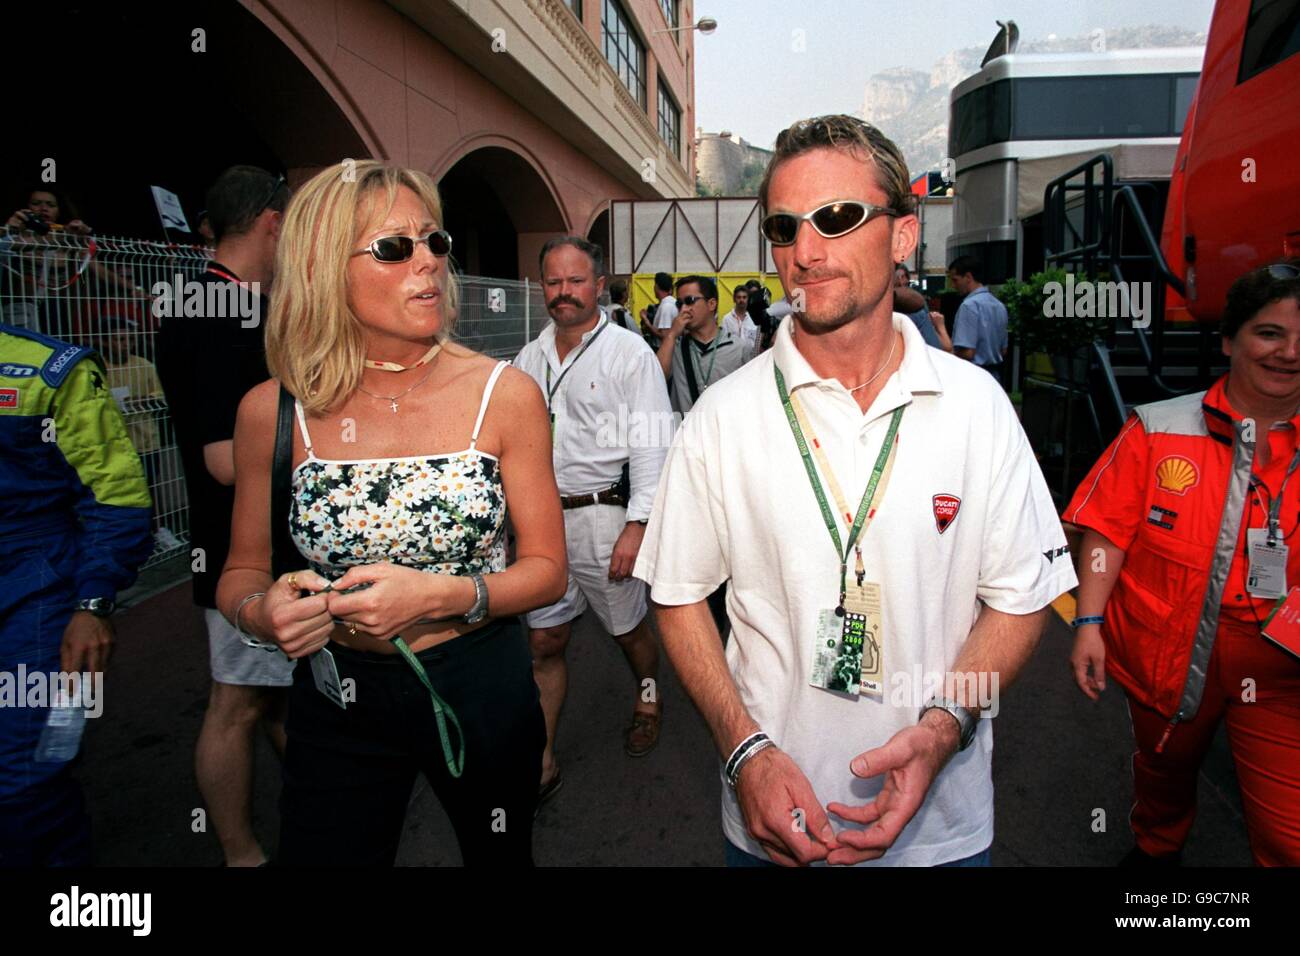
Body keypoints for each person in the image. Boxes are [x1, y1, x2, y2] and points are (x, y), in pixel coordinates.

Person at [634, 114, 1075, 867]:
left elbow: (1019, 597)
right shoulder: (720, 418)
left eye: (836, 219)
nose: (805, 252)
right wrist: (744, 753)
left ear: (903, 235)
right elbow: (678, 597)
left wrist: (941, 733)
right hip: (772, 826)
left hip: (944, 833)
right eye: (784, 227)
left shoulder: (976, 408)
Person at [216, 160, 566, 867]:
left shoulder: (505, 394)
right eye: (393, 248)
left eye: (434, 242)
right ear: (322, 268)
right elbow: (241, 573)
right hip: (336, 694)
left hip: (479, 682)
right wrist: (263, 613)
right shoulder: (270, 412)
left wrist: (444, 594)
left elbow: (548, 573)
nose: (428, 264)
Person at [1064, 261, 1300, 867]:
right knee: (1163, 772)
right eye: (1269, 333)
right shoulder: (1160, 428)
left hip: (1283, 670)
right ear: (1229, 340)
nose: (1289, 353)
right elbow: (1106, 532)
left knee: (1288, 837)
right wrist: (1088, 623)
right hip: (1165, 649)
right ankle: (1154, 852)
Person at [155, 165, 295, 867]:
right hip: (241, 549)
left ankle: (313, 809)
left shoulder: (233, 304)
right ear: (271, 222)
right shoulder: (211, 312)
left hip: (265, 547)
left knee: (276, 698)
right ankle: (242, 854)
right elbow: (221, 458)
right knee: (236, 703)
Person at [514, 236, 673, 806]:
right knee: (545, 638)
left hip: (606, 518)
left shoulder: (629, 355)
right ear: (542, 288)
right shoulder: (527, 359)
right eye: (553, 283)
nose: (563, 293)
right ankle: (543, 757)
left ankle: (649, 695)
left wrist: (638, 525)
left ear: (598, 285)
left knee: (628, 631)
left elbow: (655, 444)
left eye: (575, 281)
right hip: (543, 524)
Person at [0, 322, 153, 866]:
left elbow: (118, 497)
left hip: (36, 598)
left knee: (27, 776)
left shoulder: (48, 370)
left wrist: (92, 604)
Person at [98, 314, 178, 549]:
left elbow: (161, 396)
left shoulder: (143, 364)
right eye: (119, 339)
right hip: (114, 442)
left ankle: (158, 531)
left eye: (129, 339)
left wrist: (140, 400)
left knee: (151, 488)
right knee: (117, 493)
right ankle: (128, 540)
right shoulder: (98, 366)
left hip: (145, 439)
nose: (125, 344)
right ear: (104, 341)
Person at [656, 275, 747, 415]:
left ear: (711, 304)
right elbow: (656, 379)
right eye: (679, 304)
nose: (684, 309)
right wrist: (671, 335)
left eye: (689, 301)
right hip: (686, 432)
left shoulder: (738, 348)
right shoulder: (675, 348)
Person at [948, 256, 1008, 378]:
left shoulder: (969, 306)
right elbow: (1003, 350)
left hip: (973, 375)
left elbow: (967, 352)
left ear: (968, 277)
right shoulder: (999, 305)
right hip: (995, 376)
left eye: (955, 280)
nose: (953, 286)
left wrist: (946, 351)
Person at [894, 264, 951, 352]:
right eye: (898, 277)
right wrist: (940, 327)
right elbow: (941, 348)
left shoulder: (917, 305)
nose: (901, 281)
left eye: (903, 277)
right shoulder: (917, 310)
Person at [721, 285, 759, 363]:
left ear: (748, 299)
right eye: (738, 297)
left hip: (750, 363)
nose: (741, 300)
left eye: (744, 297)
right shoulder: (726, 319)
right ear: (734, 299)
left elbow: (757, 343)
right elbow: (722, 343)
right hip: (732, 363)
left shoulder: (754, 319)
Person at [645, 270, 679, 337]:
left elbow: (665, 336)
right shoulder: (670, 303)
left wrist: (646, 321)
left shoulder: (666, 306)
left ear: (656, 287)